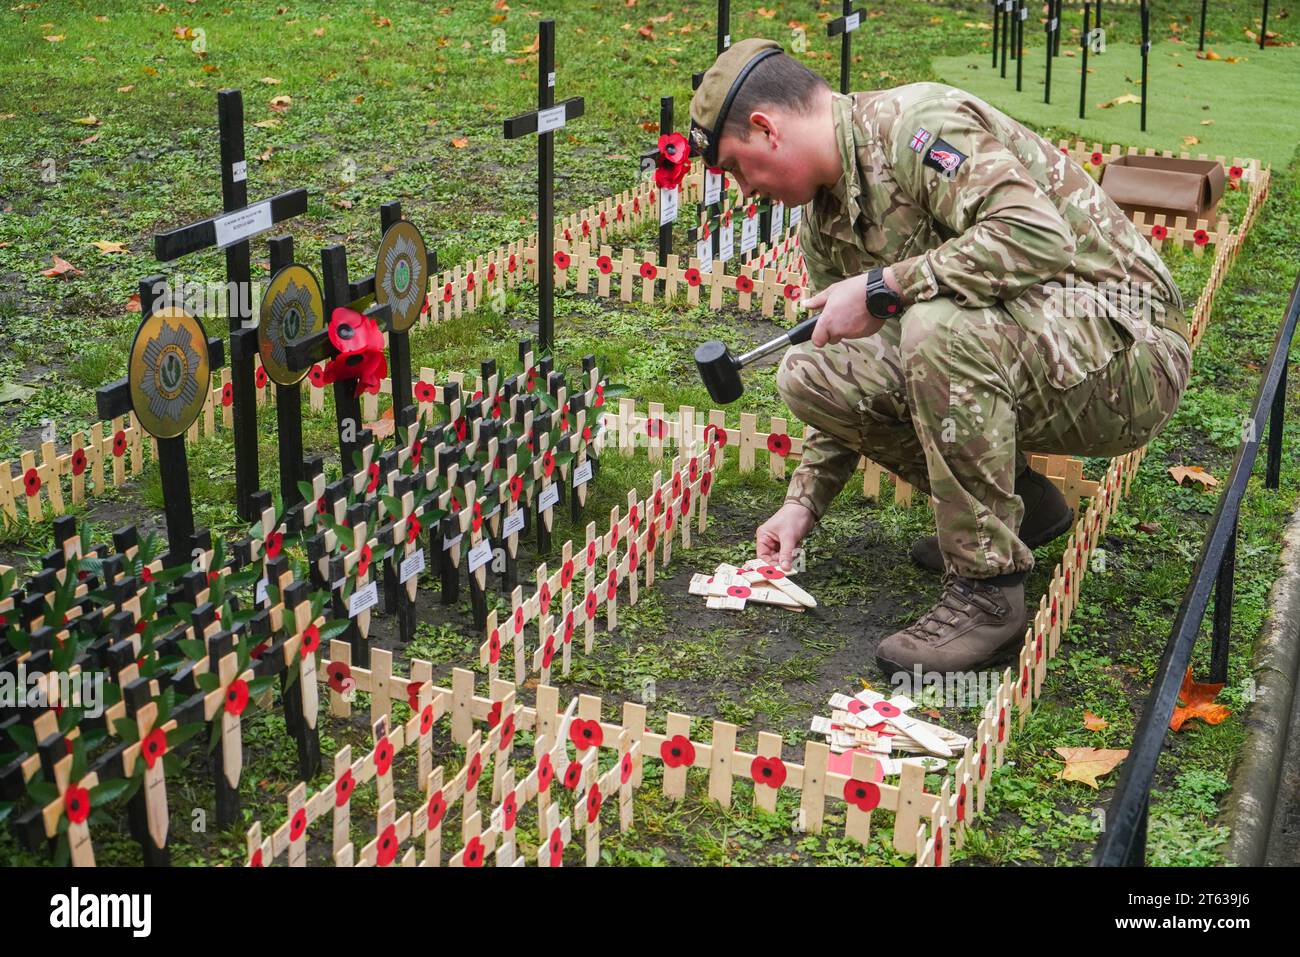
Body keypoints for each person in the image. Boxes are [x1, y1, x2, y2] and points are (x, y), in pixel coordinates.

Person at [688, 39, 1192, 674]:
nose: (745, 189)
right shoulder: (823, 214)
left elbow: (1037, 236)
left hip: (1131, 349)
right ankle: (1028, 508)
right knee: (811, 371)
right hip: (1041, 346)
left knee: (937, 326)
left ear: (767, 129)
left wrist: (887, 288)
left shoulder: (915, 127)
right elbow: (858, 353)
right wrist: (803, 501)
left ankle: (988, 595)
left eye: (737, 168)